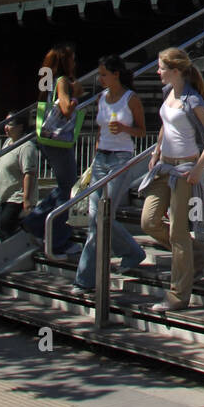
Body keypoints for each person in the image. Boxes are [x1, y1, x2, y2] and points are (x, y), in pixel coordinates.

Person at [140, 47, 204, 312]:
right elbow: (166, 123)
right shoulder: (169, 93)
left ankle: (178, 295)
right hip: (164, 167)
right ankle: (197, 254)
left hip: (185, 169)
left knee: (177, 232)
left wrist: (199, 168)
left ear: (175, 71)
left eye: (161, 67)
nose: (158, 72)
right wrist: (157, 150)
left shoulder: (192, 100)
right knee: (149, 221)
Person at [73, 55, 148, 292]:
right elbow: (99, 131)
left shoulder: (131, 98)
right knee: (97, 215)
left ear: (116, 74)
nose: (100, 78)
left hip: (121, 158)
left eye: (104, 73)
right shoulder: (101, 98)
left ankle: (85, 278)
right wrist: (95, 155)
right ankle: (132, 251)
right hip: (102, 157)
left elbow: (142, 131)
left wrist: (125, 129)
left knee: (101, 216)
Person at [23, 43, 85, 256]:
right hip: (59, 140)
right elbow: (67, 108)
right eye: (72, 59)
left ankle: (38, 219)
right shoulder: (62, 81)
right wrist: (76, 95)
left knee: (64, 185)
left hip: (46, 137)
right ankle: (55, 236)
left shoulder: (47, 81)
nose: (75, 62)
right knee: (68, 187)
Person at [0, 114, 38, 240]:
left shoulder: (26, 147)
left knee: (5, 226)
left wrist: (26, 199)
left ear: (21, 127)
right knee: (2, 228)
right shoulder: (7, 143)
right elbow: (0, 168)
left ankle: (9, 254)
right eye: (5, 124)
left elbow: (29, 173)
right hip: (3, 195)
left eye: (10, 124)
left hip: (16, 197)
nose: (6, 128)